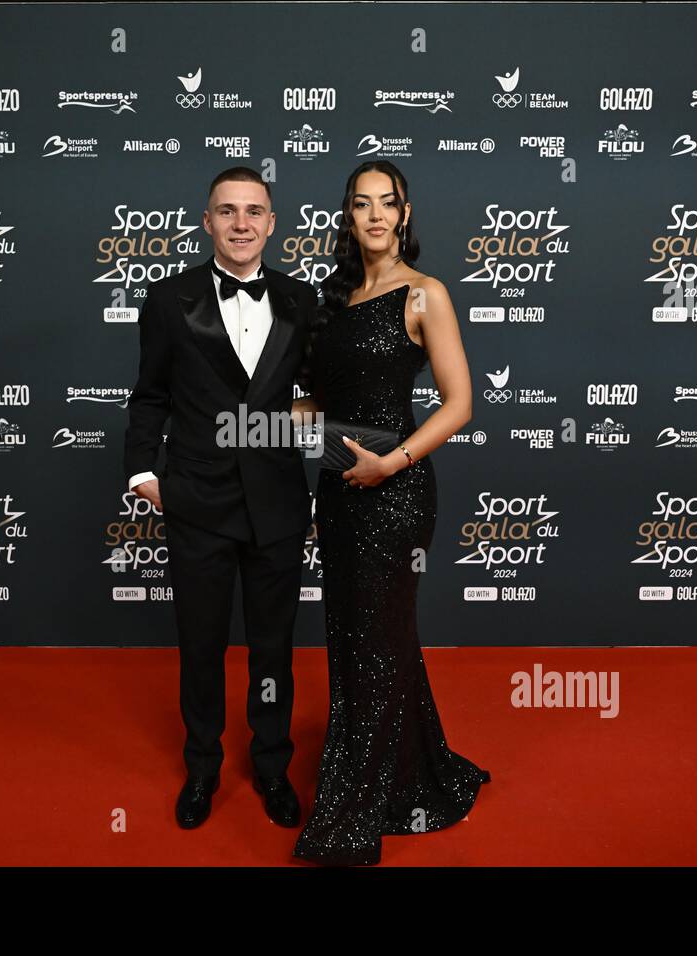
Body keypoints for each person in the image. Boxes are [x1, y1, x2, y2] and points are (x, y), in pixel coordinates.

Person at [289, 160, 490, 866]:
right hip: (340, 491)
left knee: (379, 642)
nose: (375, 215)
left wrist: (393, 462)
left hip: (397, 492)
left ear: (404, 215)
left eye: (388, 203)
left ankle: (355, 813)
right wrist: (260, 421)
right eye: (361, 204)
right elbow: (316, 407)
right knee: (355, 640)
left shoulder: (425, 295)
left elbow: (461, 403)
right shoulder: (331, 300)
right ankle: (413, 774)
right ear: (347, 216)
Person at [124, 167, 318, 830]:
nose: (242, 223)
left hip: (278, 506)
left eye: (254, 211)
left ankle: (271, 765)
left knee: (273, 649)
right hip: (197, 502)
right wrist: (142, 478)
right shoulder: (168, 298)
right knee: (200, 645)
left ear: (271, 222)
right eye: (228, 211)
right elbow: (149, 394)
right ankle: (202, 766)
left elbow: (320, 393)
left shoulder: (300, 300)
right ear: (206, 221)